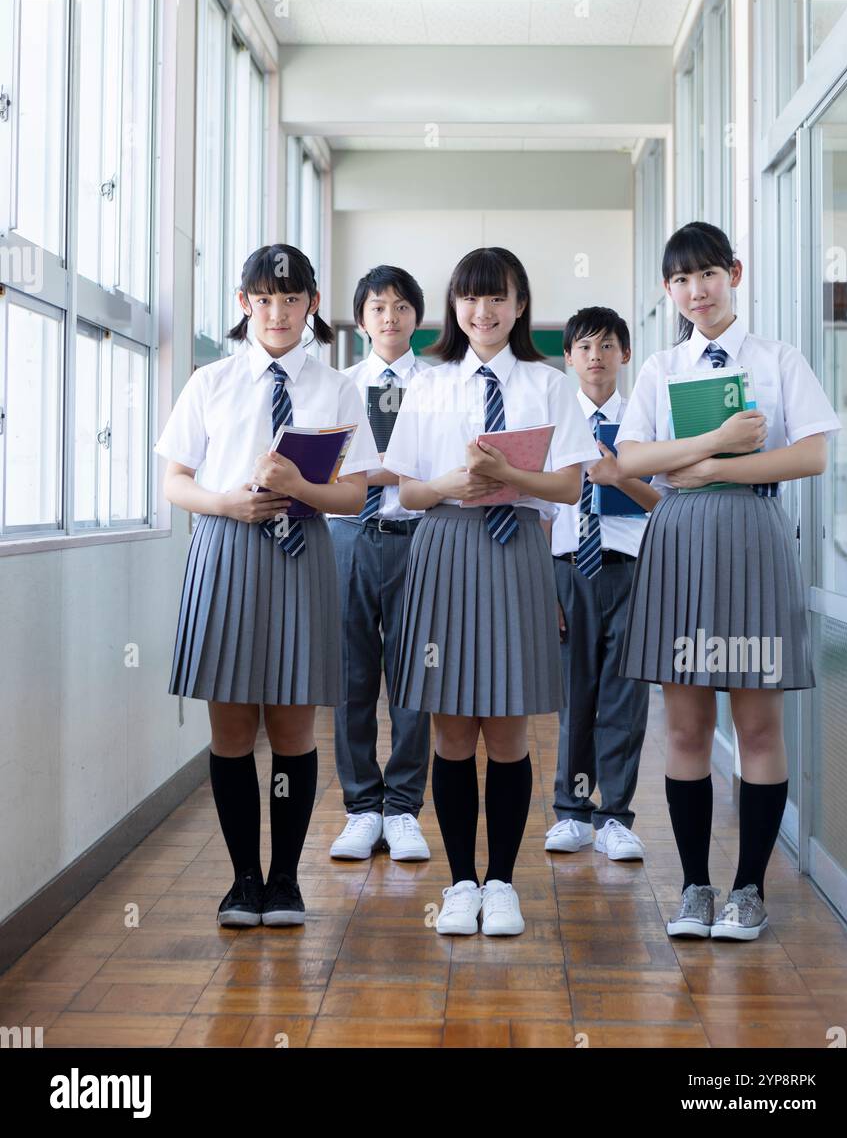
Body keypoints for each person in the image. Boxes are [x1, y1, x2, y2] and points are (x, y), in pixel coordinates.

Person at [615, 221, 840, 940]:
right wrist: (715, 440)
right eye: (681, 280)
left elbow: (809, 458)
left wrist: (710, 469)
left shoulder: (778, 359)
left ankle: (748, 888)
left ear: (734, 274)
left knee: (758, 724)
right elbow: (630, 460)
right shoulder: (660, 368)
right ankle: (693, 889)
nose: (696, 290)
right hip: (680, 543)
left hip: (753, 537)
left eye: (707, 274)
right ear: (667, 290)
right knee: (685, 727)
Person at [154, 244, 380, 929]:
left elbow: (353, 495)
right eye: (263, 299)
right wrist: (228, 504)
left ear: (313, 305)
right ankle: (241, 879)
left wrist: (298, 487)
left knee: (291, 726)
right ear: (242, 304)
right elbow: (174, 481)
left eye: (290, 299)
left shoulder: (338, 387)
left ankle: (284, 880)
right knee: (230, 729)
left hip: (301, 552)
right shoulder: (210, 382)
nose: (276, 312)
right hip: (225, 551)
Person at [383, 247, 599, 936]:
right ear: (455, 306)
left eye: (498, 297)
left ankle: (502, 881)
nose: (484, 311)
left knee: (509, 729)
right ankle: (458, 885)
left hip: (519, 554)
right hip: (446, 547)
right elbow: (405, 491)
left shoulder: (548, 382)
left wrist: (510, 475)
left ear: (520, 304)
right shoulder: (428, 382)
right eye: (472, 298)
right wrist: (454, 482)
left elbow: (568, 486)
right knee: (450, 728)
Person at [545, 307, 660, 861]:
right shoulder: (554, 422)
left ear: (625, 355)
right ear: (568, 357)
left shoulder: (643, 423)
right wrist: (545, 587)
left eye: (608, 346)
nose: (597, 357)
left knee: (624, 699)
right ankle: (571, 810)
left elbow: (663, 503)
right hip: (568, 570)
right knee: (574, 697)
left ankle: (614, 815)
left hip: (630, 570)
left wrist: (623, 474)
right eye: (585, 347)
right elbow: (540, 507)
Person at [328, 265, 433, 863]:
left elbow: (447, 464)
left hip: (416, 535)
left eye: (399, 307)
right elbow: (320, 469)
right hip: (346, 535)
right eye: (376, 308)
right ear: (361, 318)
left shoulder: (441, 384)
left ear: (416, 316)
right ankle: (361, 807)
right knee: (351, 679)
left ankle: (404, 808)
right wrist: (398, 466)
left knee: (414, 676)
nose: (388, 318)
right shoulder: (338, 385)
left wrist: (370, 468)